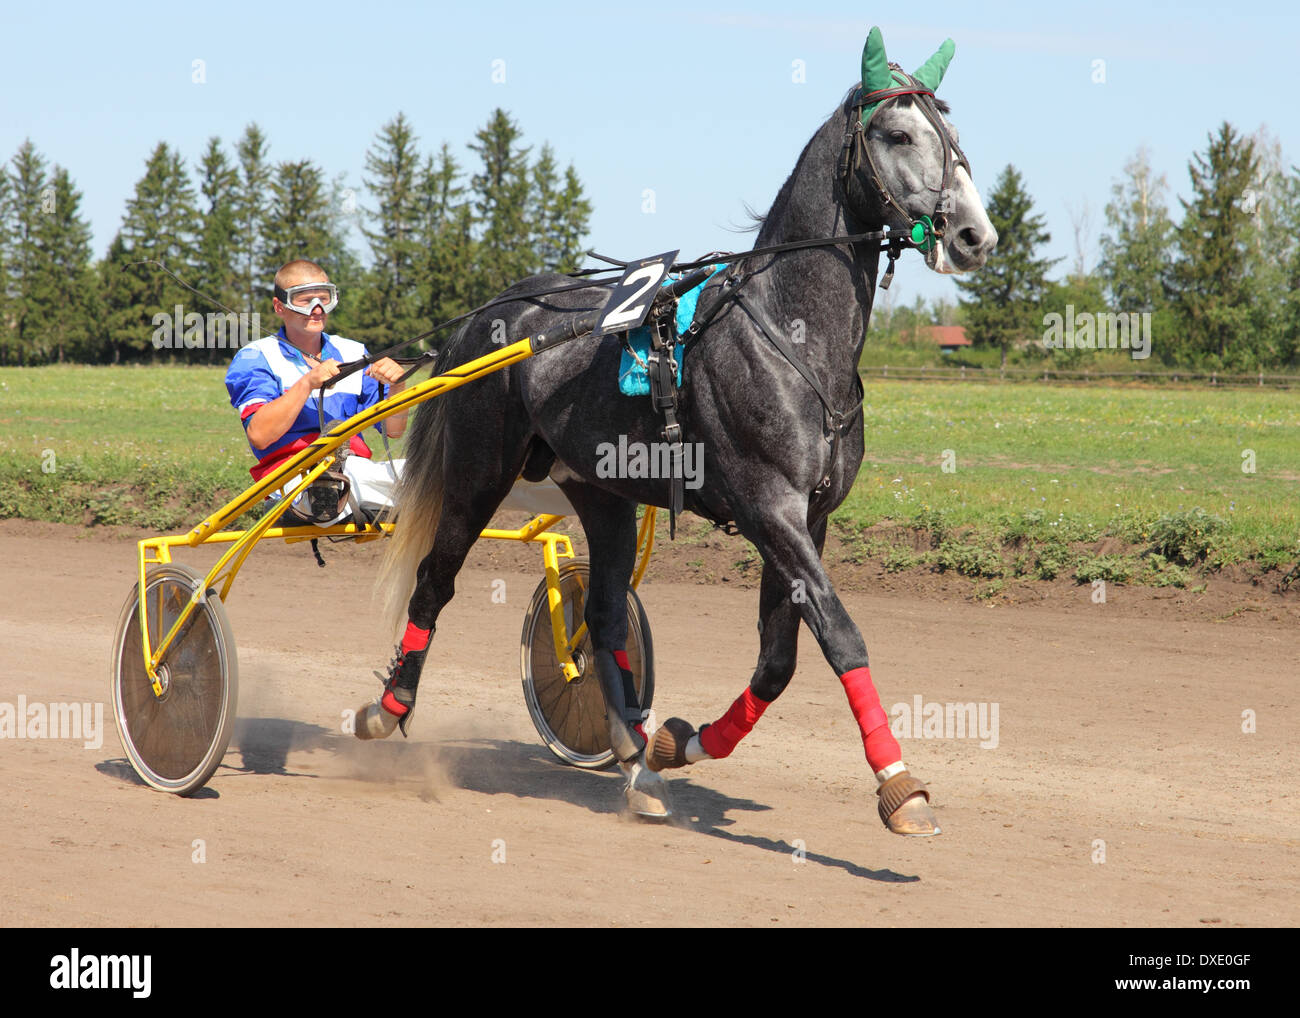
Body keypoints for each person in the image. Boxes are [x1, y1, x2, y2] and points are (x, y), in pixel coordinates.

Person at [225, 260, 408, 524]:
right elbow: (260, 435)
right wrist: (307, 383)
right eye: (304, 299)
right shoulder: (256, 356)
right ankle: (328, 486)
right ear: (279, 307)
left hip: (355, 469)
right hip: (291, 480)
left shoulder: (354, 352)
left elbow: (394, 430)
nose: (318, 309)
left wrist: (397, 386)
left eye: (324, 298)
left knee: (430, 470)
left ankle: (338, 484)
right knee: (350, 476)